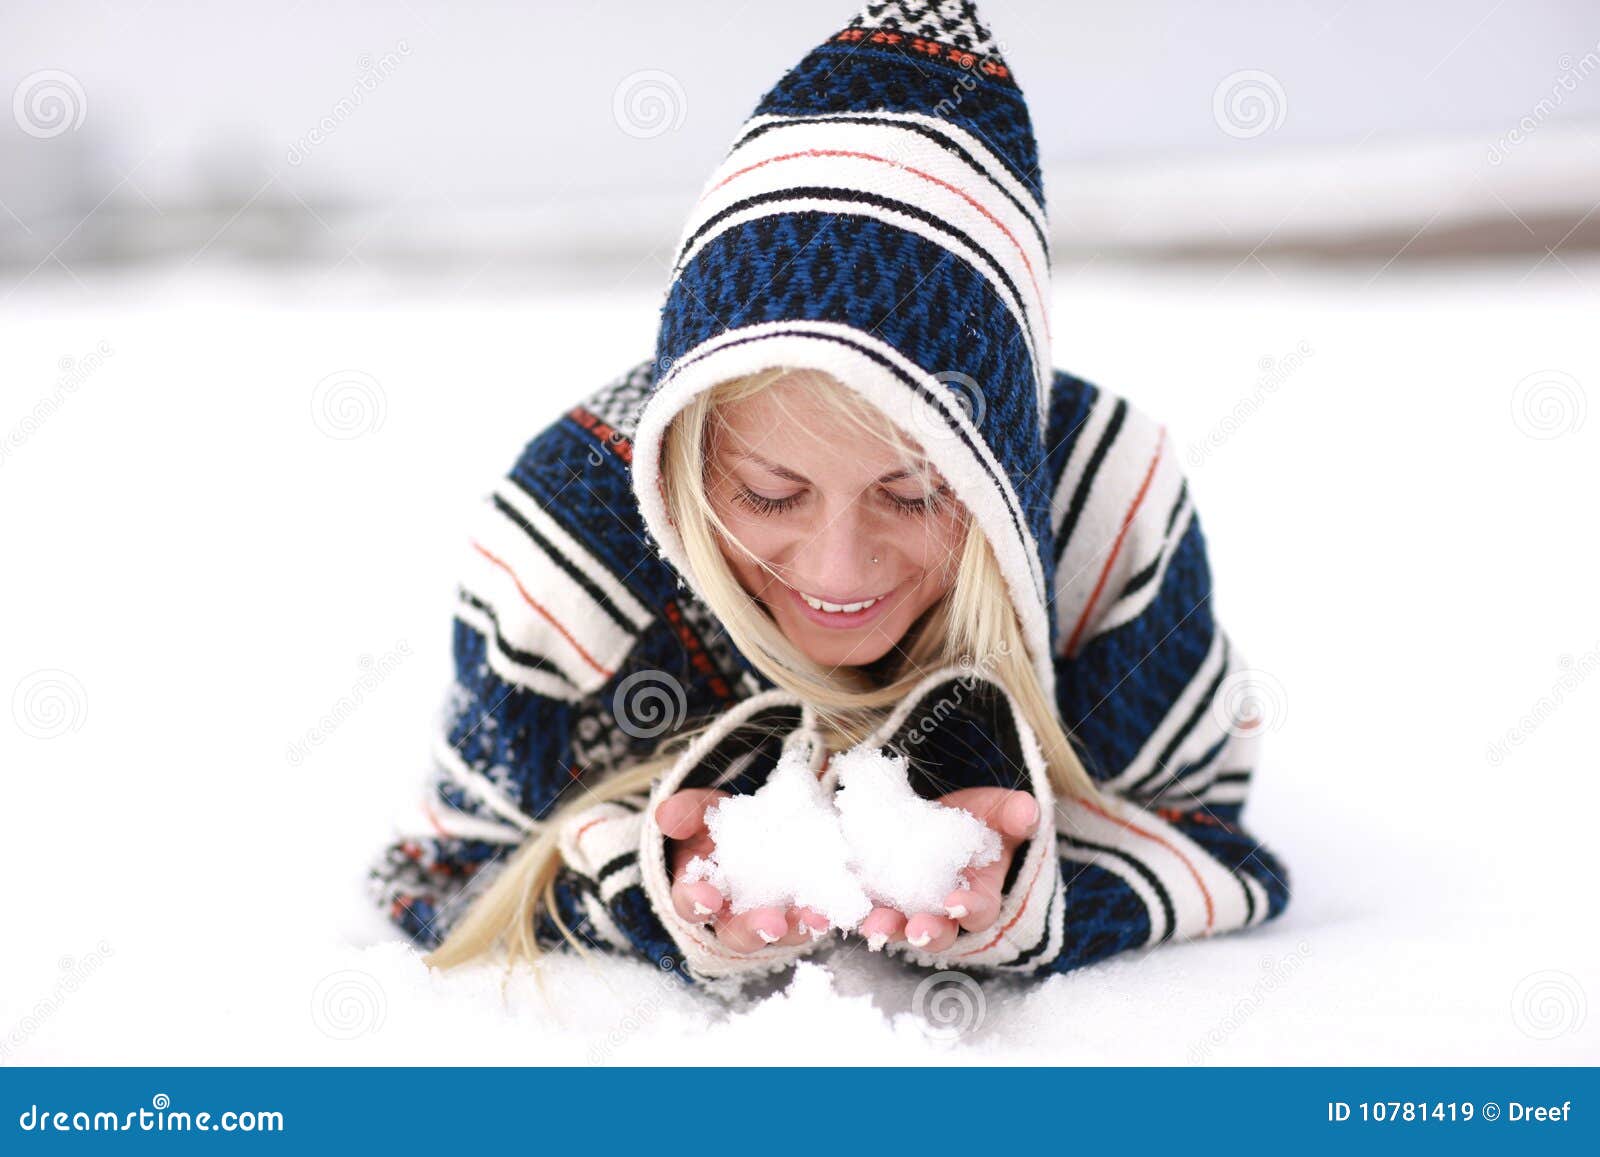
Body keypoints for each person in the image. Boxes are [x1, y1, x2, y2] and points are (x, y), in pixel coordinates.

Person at [368, 0, 1291, 997]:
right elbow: (442, 871)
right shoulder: (572, 535)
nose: (837, 570)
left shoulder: (1105, 501)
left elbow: (1211, 840)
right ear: (685, 460)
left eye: (914, 493)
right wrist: (654, 885)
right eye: (769, 495)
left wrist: (1026, 890)